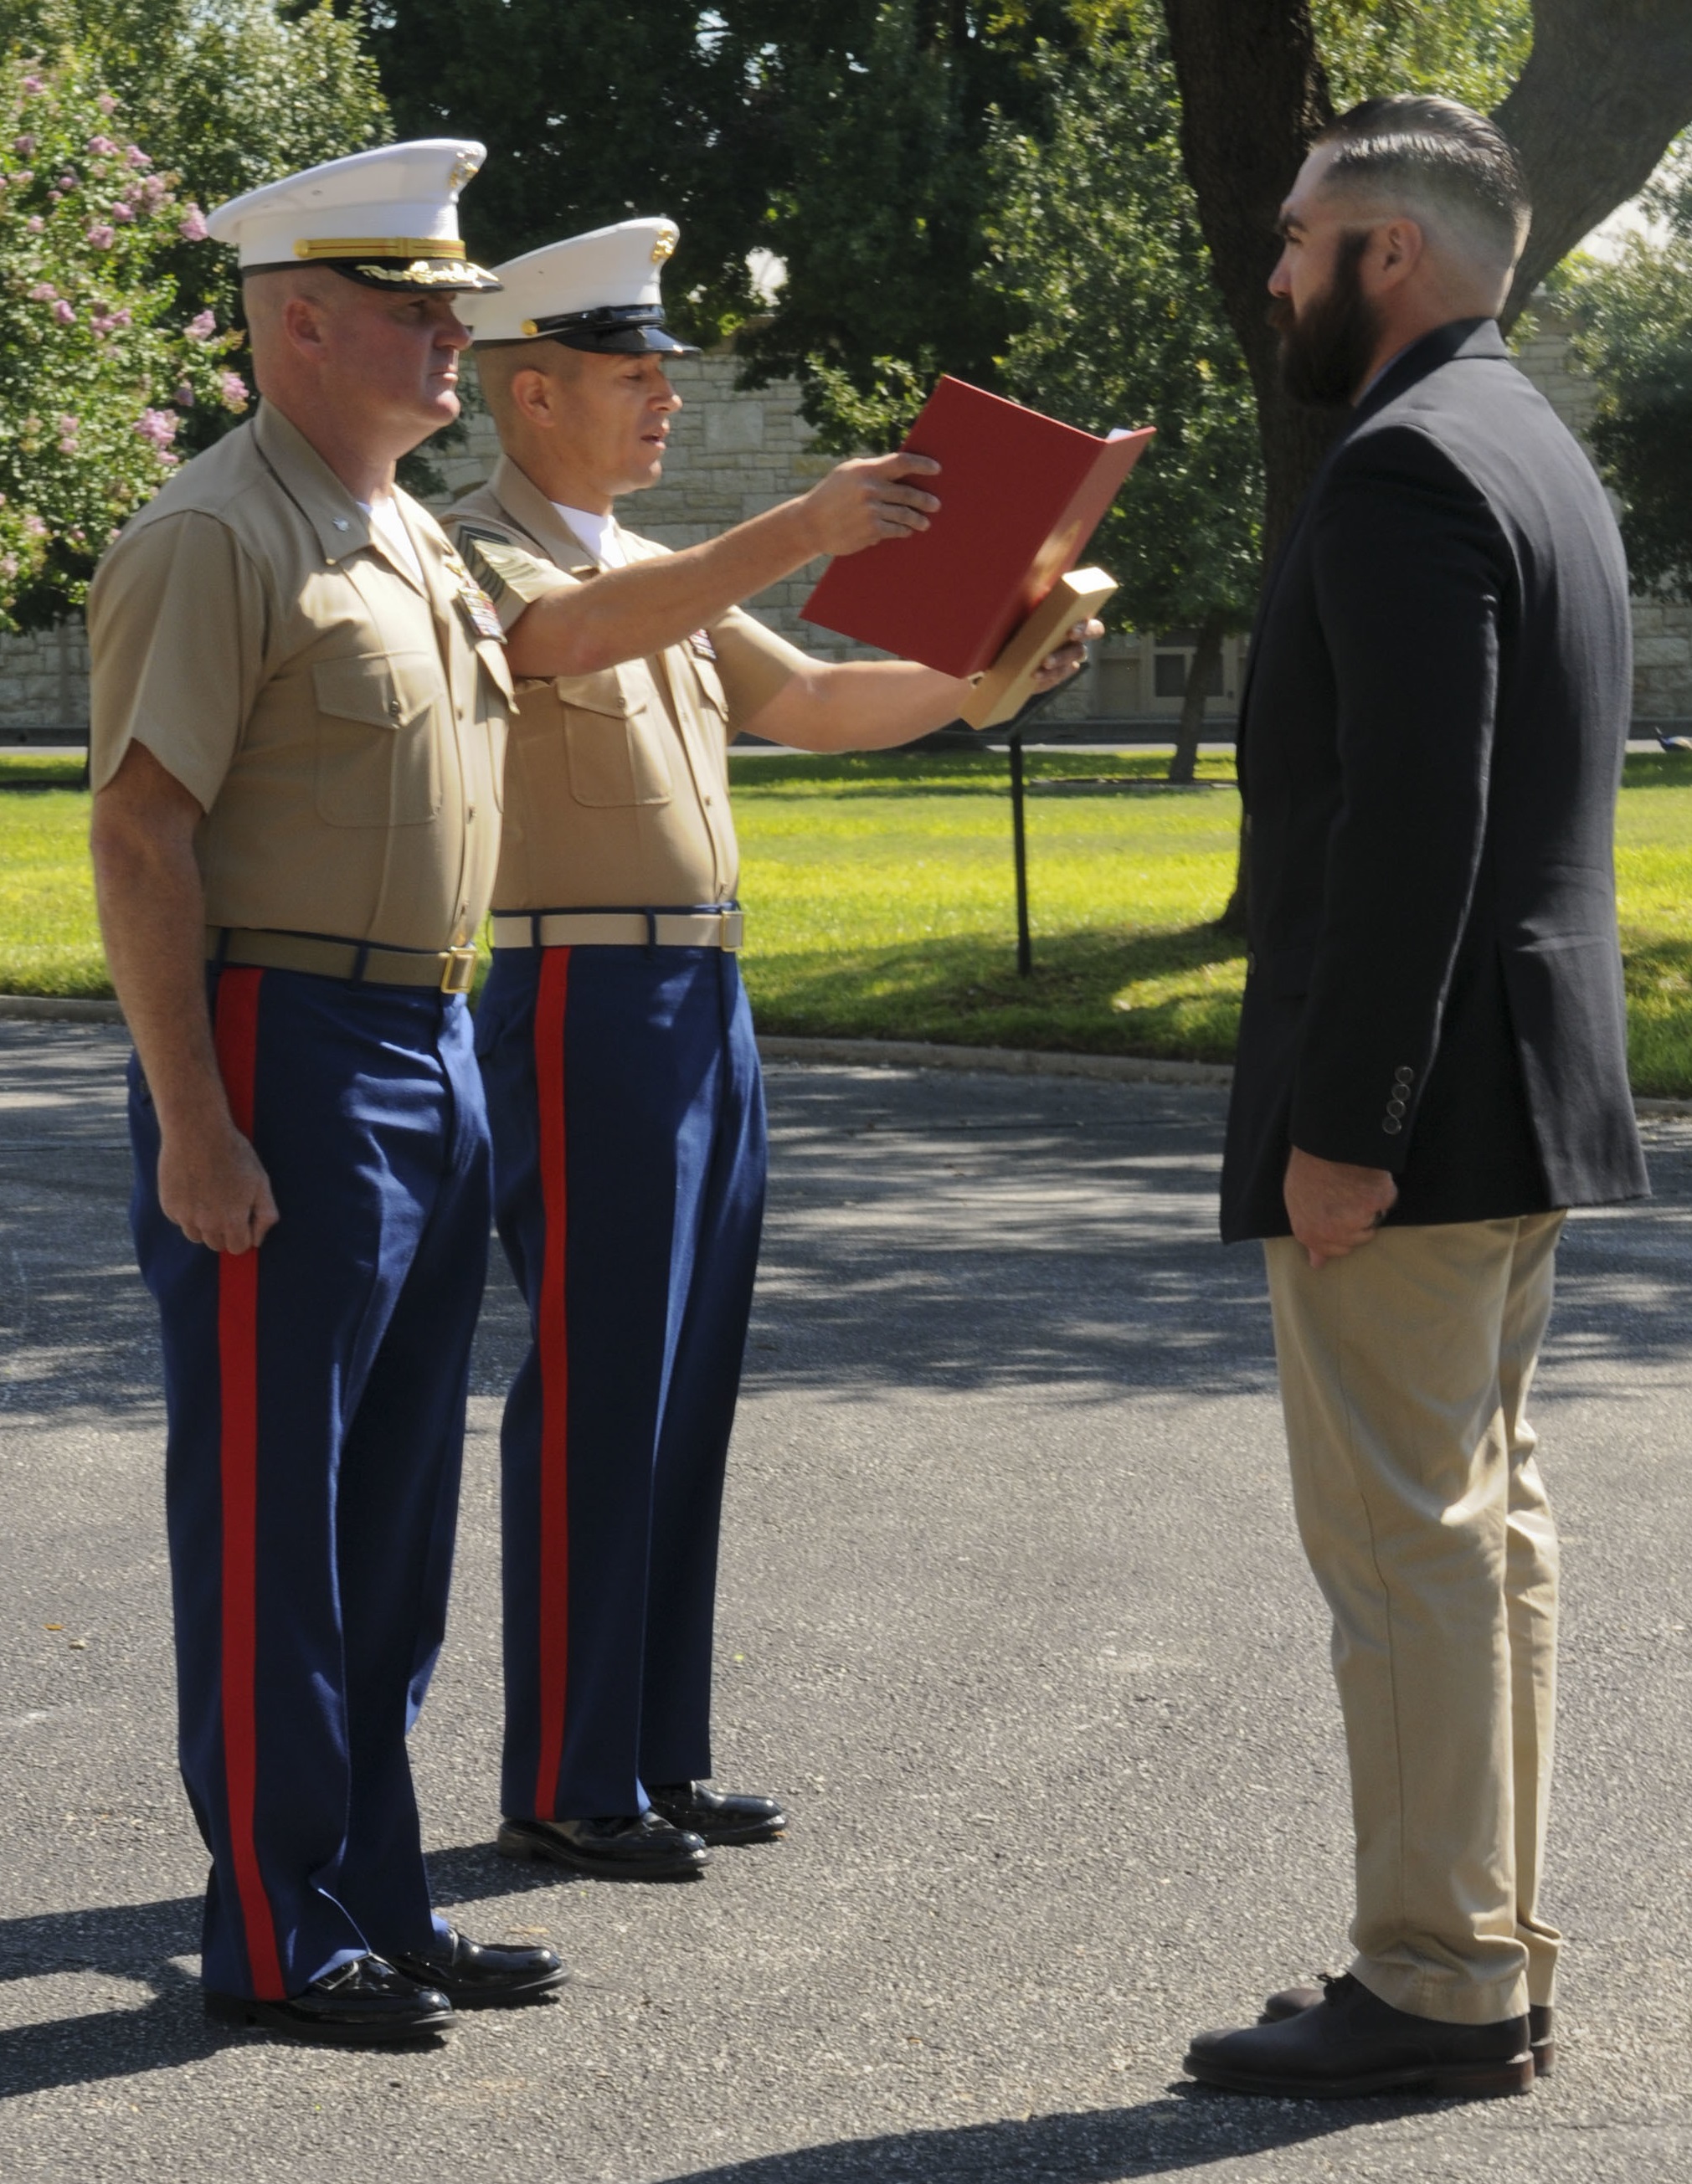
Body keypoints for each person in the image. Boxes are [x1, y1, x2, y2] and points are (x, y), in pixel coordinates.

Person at [445, 219, 1098, 1881]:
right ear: (528, 394)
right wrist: (800, 526)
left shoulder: (637, 554)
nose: (667, 396)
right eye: (630, 373)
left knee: (681, 1386)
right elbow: (563, 644)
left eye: (665, 371)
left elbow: (804, 701)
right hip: (579, 1000)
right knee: (600, 1386)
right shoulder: (481, 554)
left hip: (699, 1006)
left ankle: (655, 1753)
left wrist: (977, 678)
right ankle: (567, 1777)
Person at [85, 141, 573, 2045]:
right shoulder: (219, 533)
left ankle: (377, 1885)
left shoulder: (406, 530)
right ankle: (278, 1929)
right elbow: (140, 840)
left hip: (426, 1040)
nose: (454, 335)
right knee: (272, 1510)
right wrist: (197, 1125)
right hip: (280, 1051)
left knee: (393, 1507)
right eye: (414, 306)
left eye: (456, 305)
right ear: (300, 321)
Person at [1184, 96, 1647, 2099]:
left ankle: (1441, 1979)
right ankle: (1485, 1952)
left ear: (1386, 252)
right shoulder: (1527, 436)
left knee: (1407, 1554)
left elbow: (1414, 829)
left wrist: (1347, 1121)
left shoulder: (1396, 468)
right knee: (1480, 1538)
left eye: (1297, 240)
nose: (1270, 270)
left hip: (1418, 1111)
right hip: (1520, 1093)